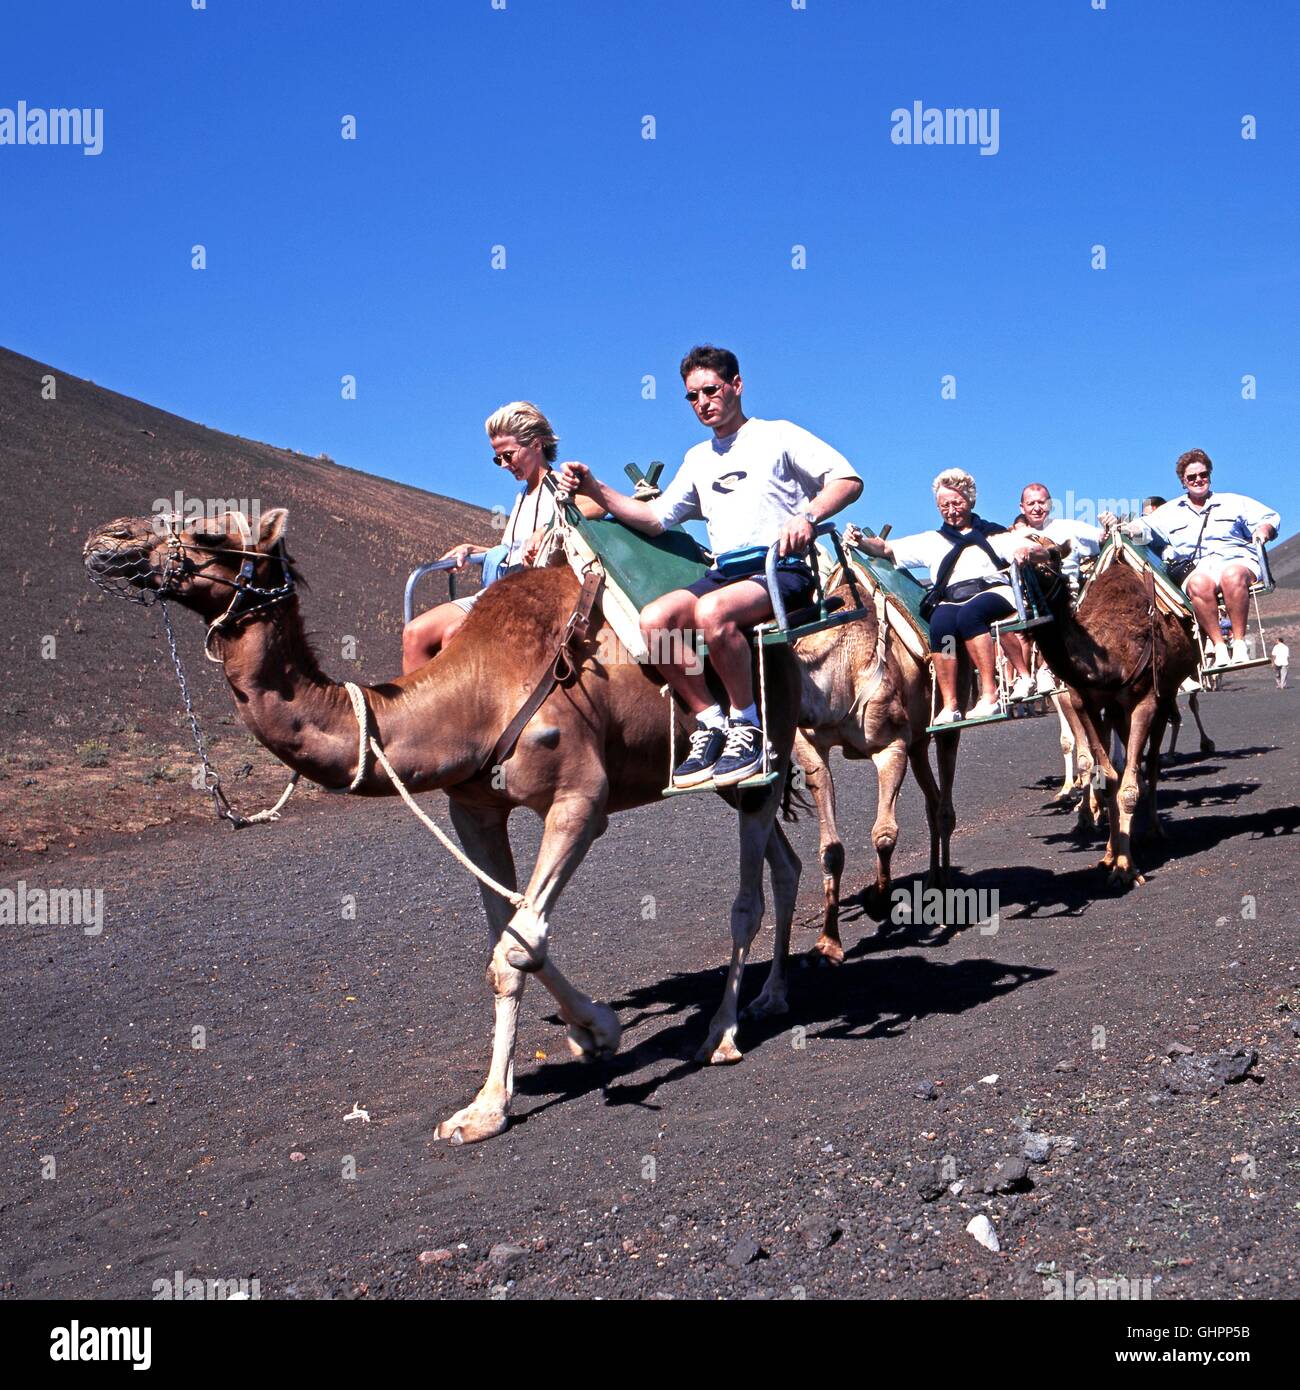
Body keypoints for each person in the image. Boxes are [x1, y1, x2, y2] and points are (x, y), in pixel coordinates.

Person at [558, 344, 862, 788]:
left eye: (710, 390)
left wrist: (809, 516)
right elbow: (656, 518)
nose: (702, 402)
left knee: (710, 613)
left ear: (736, 385)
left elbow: (848, 480)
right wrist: (595, 487)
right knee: (654, 620)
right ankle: (711, 722)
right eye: (692, 396)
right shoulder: (698, 459)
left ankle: (747, 725)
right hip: (725, 574)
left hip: (780, 569)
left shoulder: (778, 435)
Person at [401, 402, 602, 672]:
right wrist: (474, 550)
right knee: (414, 634)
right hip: (501, 589)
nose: (504, 465)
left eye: (508, 455)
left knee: (454, 636)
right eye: (498, 459)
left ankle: (468, 713)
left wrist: (549, 527)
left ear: (536, 445)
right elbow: (512, 552)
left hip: (535, 594)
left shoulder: (559, 484)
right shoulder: (522, 495)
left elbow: (599, 505)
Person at [853, 469, 1039, 725]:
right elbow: (886, 548)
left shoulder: (995, 534)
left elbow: (1030, 546)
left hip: (994, 592)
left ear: (970, 501)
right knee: (942, 625)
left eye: (957, 503)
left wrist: (1023, 551)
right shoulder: (932, 540)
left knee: (970, 615)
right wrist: (861, 542)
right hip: (952, 598)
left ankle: (989, 696)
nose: (951, 510)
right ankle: (950, 703)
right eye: (944, 505)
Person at [1141, 450, 1280, 667]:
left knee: (1231, 575)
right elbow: (1144, 528)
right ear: (1183, 481)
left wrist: (1264, 530)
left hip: (1237, 559)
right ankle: (1219, 646)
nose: (1198, 480)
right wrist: (1124, 527)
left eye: (1203, 474)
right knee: (1198, 583)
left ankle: (1240, 643)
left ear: (1210, 475)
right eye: (1192, 477)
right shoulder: (1168, 512)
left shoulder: (1233, 502)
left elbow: (1269, 518)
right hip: (1199, 567)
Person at [1011, 482, 1109, 693]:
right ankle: (1023, 676)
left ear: (1050, 504)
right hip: (1030, 598)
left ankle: (1047, 668)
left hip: (1070, 595)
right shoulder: (1012, 537)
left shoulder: (1069, 527)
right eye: (1031, 503)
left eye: (1042, 502)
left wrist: (1109, 525)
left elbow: (1102, 538)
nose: (1037, 508)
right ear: (1022, 507)